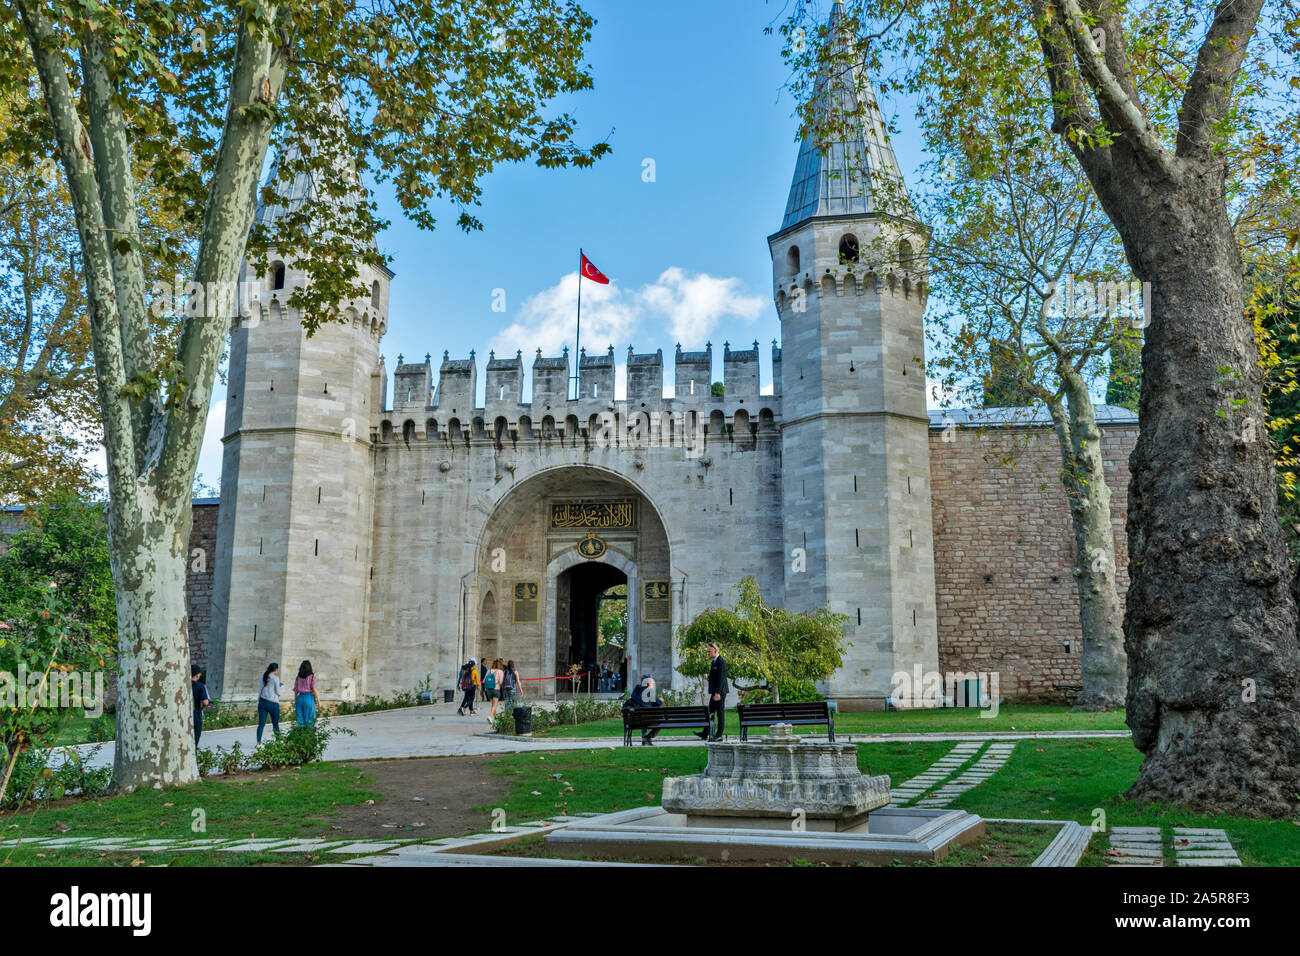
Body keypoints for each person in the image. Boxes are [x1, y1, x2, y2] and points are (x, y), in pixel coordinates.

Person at [695, 643, 729, 741]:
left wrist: (718, 693)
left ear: (715, 651)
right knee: (710, 712)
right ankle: (705, 733)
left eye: (709, 651)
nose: (708, 653)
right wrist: (709, 678)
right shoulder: (714, 662)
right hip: (715, 692)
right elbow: (715, 678)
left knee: (720, 714)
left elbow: (721, 678)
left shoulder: (721, 661)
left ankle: (719, 735)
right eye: (707, 651)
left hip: (719, 693)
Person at [627, 673, 664, 745]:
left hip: (635, 720)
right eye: (652, 681)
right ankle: (648, 737)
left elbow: (636, 699)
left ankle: (644, 739)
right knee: (660, 722)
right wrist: (661, 700)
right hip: (648, 719)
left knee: (643, 715)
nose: (653, 682)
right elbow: (658, 703)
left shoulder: (636, 689)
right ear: (648, 682)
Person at [257, 662, 282, 743]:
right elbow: (277, 692)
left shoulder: (262, 677)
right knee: (275, 724)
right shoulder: (275, 678)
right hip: (273, 703)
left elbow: (260, 690)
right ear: (275, 670)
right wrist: (281, 686)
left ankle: (258, 742)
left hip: (262, 702)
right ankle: (278, 742)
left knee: (261, 724)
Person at [294, 660, 319, 727]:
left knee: (300, 719)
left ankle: (301, 736)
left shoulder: (298, 677)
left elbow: (296, 691)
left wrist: (295, 702)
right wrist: (319, 701)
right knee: (310, 718)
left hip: (300, 698)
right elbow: (314, 689)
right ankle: (309, 735)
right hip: (308, 698)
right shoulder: (311, 677)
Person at [191, 665, 211, 745]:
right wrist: (202, 708)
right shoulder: (200, 686)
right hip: (196, 715)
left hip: (184, 716)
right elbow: (205, 702)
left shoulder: (184, 684)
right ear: (197, 675)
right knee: (194, 742)